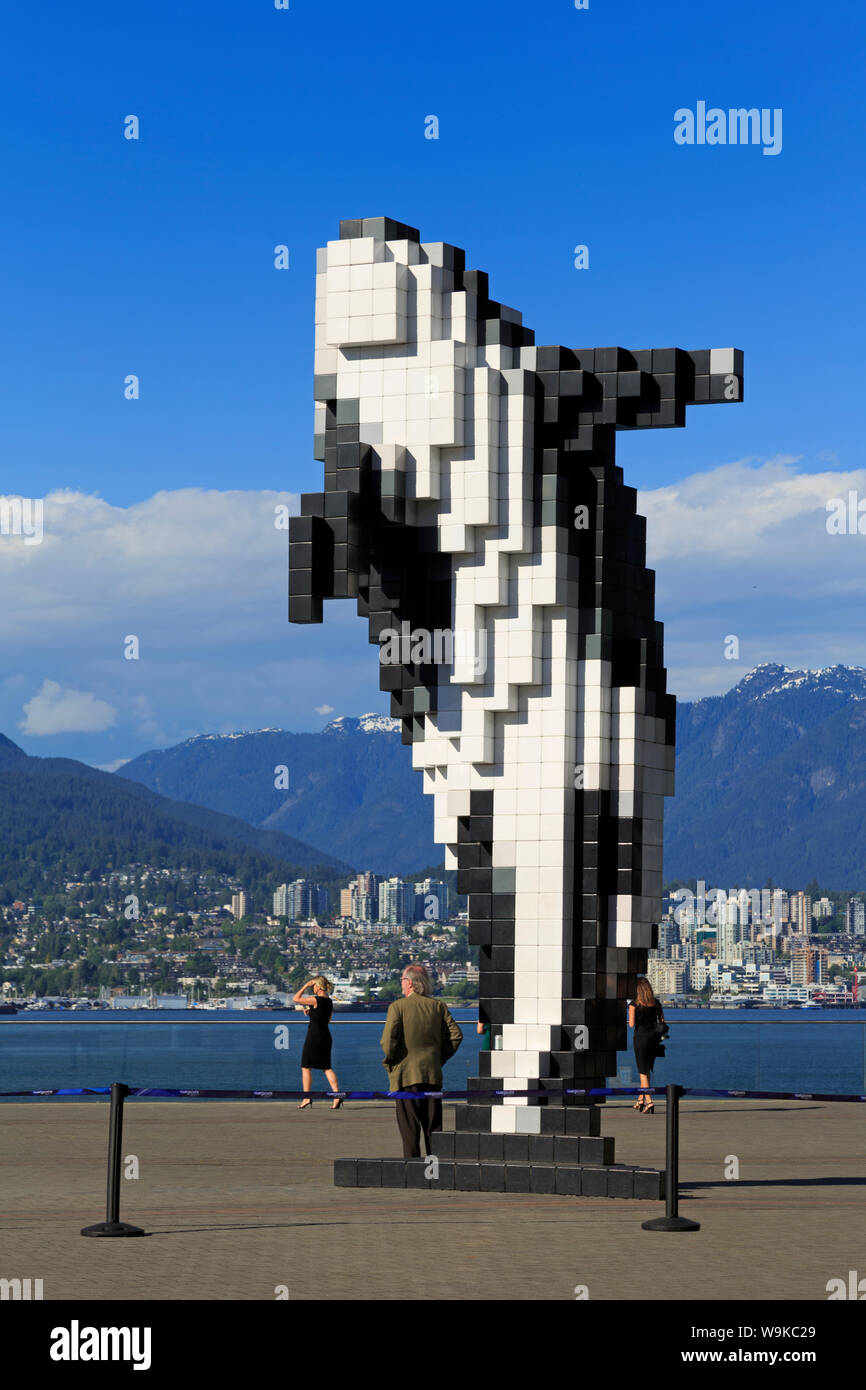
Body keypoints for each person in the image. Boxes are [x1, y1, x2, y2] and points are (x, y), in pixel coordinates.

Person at [380, 963, 463, 1158]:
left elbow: (387, 1041)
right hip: (432, 1074)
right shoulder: (438, 1006)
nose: (401, 984)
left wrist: (392, 1061)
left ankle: (413, 1168)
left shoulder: (397, 1007)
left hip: (404, 1075)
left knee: (409, 1128)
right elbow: (456, 1036)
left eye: (402, 980)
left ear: (409, 983)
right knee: (433, 1126)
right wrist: (438, 1058)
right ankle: (436, 1168)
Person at [293, 976, 342, 1110]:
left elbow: (296, 998)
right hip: (326, 1036)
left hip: (314, 1037)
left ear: (318, 986)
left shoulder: (316, 1000)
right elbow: (327, 1019)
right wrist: (312, 1013)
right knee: (326, 1067)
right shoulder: (329, 1001)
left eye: (313, 986)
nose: (312, 989)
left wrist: (304, 986)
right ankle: (337, 1095)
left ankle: (306, 1097)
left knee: (306, 1066)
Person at [628, 977, 666, 1114]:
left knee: (642, 1072)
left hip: (640, 1039)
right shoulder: (656, 1003)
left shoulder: (634, 1004)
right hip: (654, 1039)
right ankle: (640, 1099)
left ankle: (649, 1101)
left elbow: (632, 1024)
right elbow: (662, 1021)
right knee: (647, 1068)